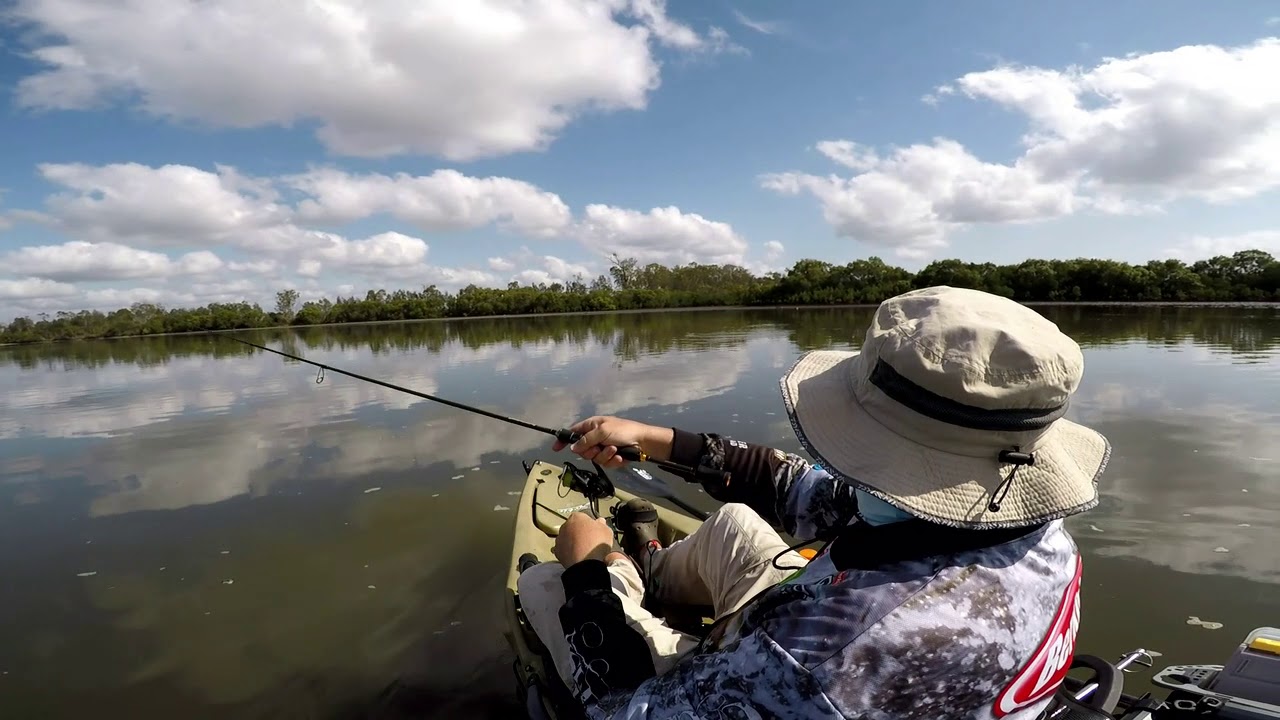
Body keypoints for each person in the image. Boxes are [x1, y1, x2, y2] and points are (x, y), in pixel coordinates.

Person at [516, 286, 1110, 719]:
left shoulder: (828, 660)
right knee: (735, 525)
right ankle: (639, 573)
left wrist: (589, 574)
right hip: (835, 657)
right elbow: (801, 490)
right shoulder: (1027, 523)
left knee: (545, 583)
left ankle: (621, 578)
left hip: (790, 676)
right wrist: (652, 438)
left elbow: (626, 712)